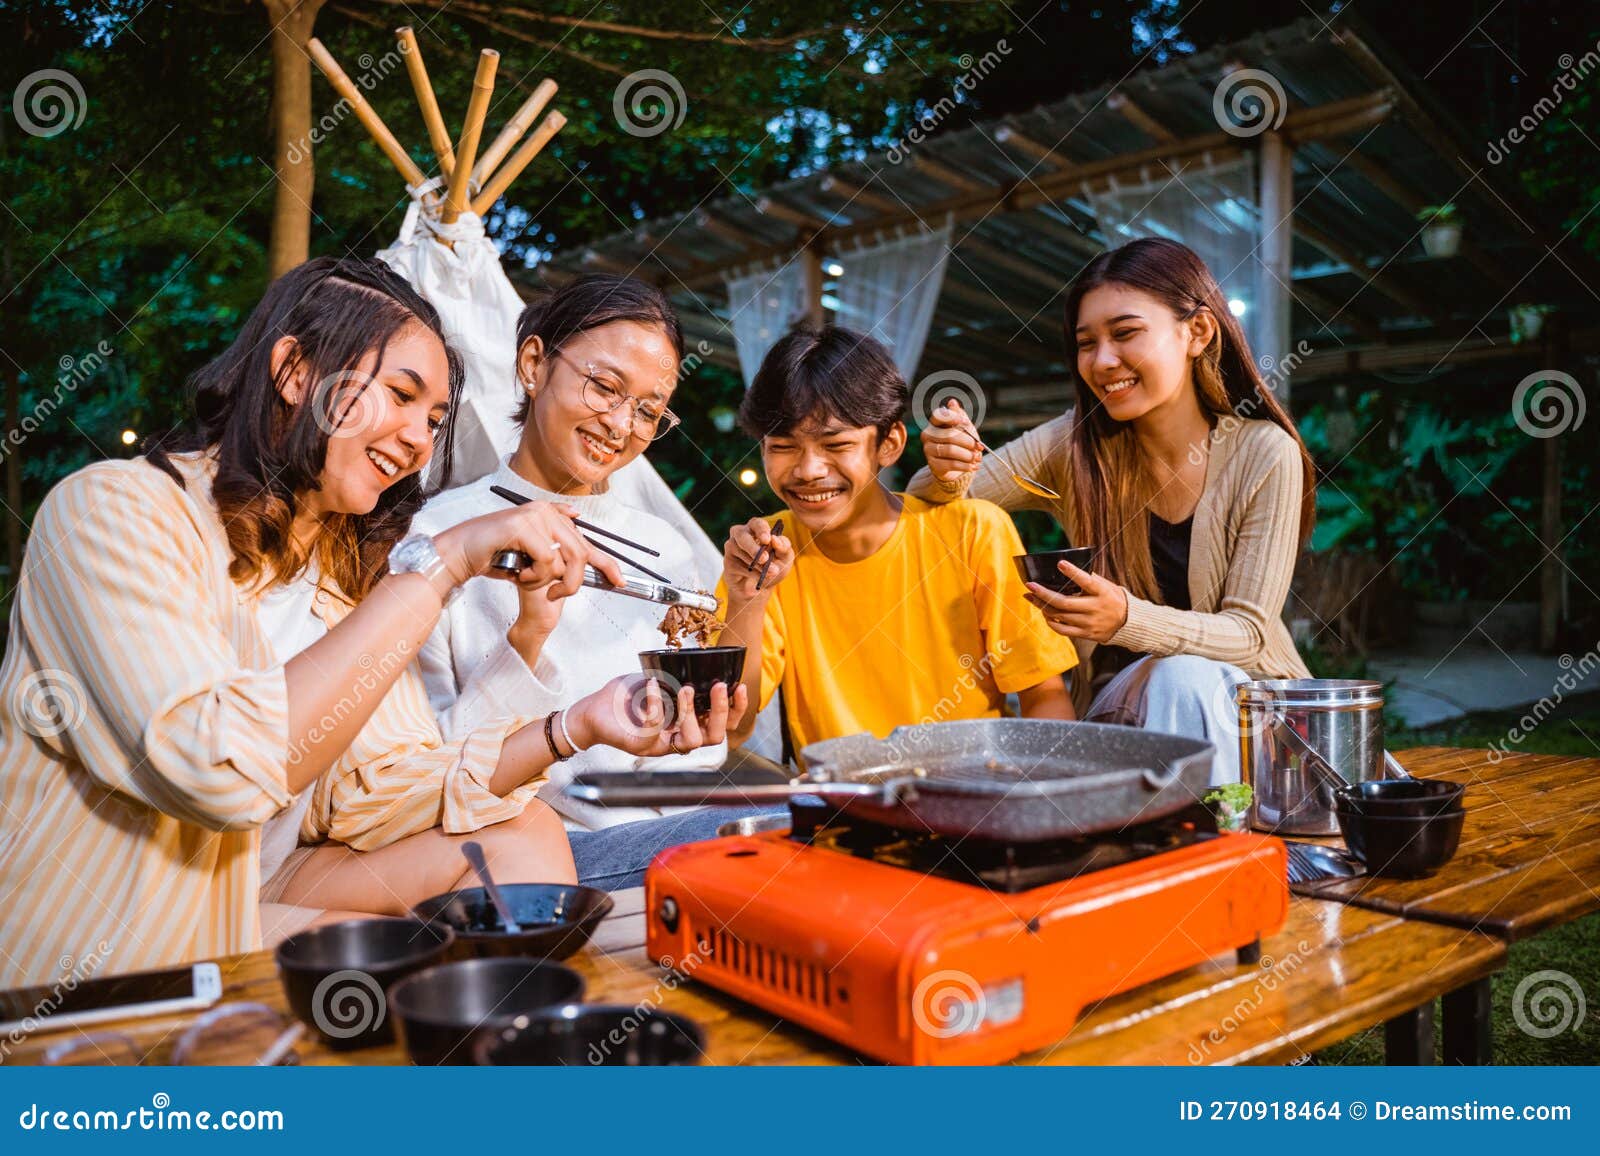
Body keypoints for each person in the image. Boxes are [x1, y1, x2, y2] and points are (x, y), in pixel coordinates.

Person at [0, 258, 725, 986]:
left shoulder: (335, 580)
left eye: (434, 420)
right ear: (293, 371)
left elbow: (384, 789)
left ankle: (519, 1065)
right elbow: (217, 770)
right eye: (400, 395)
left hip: (260, 890)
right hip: (108, 948)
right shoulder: (112, 512)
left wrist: (576, 726)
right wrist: (439, 569)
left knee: (518, 835)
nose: (417, 439)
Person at [909, 237, 1317, 783]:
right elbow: (926, 502)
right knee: (1172, 679)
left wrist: (1127, 620)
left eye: (1125, 334)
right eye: (1086, 343)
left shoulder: (1264, 453)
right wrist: (947, 469)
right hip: (1120, 721)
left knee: (1182, 678)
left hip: (1256, 718)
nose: (1102, 362)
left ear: (1197, 332)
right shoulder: (1072, 445)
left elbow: (1248, 634)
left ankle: (1217, 848)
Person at [412, 275, 755, 891]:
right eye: (605, 387)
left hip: (676, 832)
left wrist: (688, 740)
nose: (622, 425)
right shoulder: (439, 539)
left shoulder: (664, 548)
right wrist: (526, 638)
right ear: (534, 363)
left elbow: (696, 752)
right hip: (545, 855)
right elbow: (423, 773)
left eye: (649, 410)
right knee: (801, 825)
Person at [717, 326, 1078, 756]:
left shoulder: (974, 531)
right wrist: (747, 600)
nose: (808, 469)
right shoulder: (766, 555)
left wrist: (1047, 808)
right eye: (782, 446)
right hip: (839, 810)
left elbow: (1043, 694)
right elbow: (732, 728)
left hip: (969, 801)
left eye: (836, 443)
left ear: (889, 444)